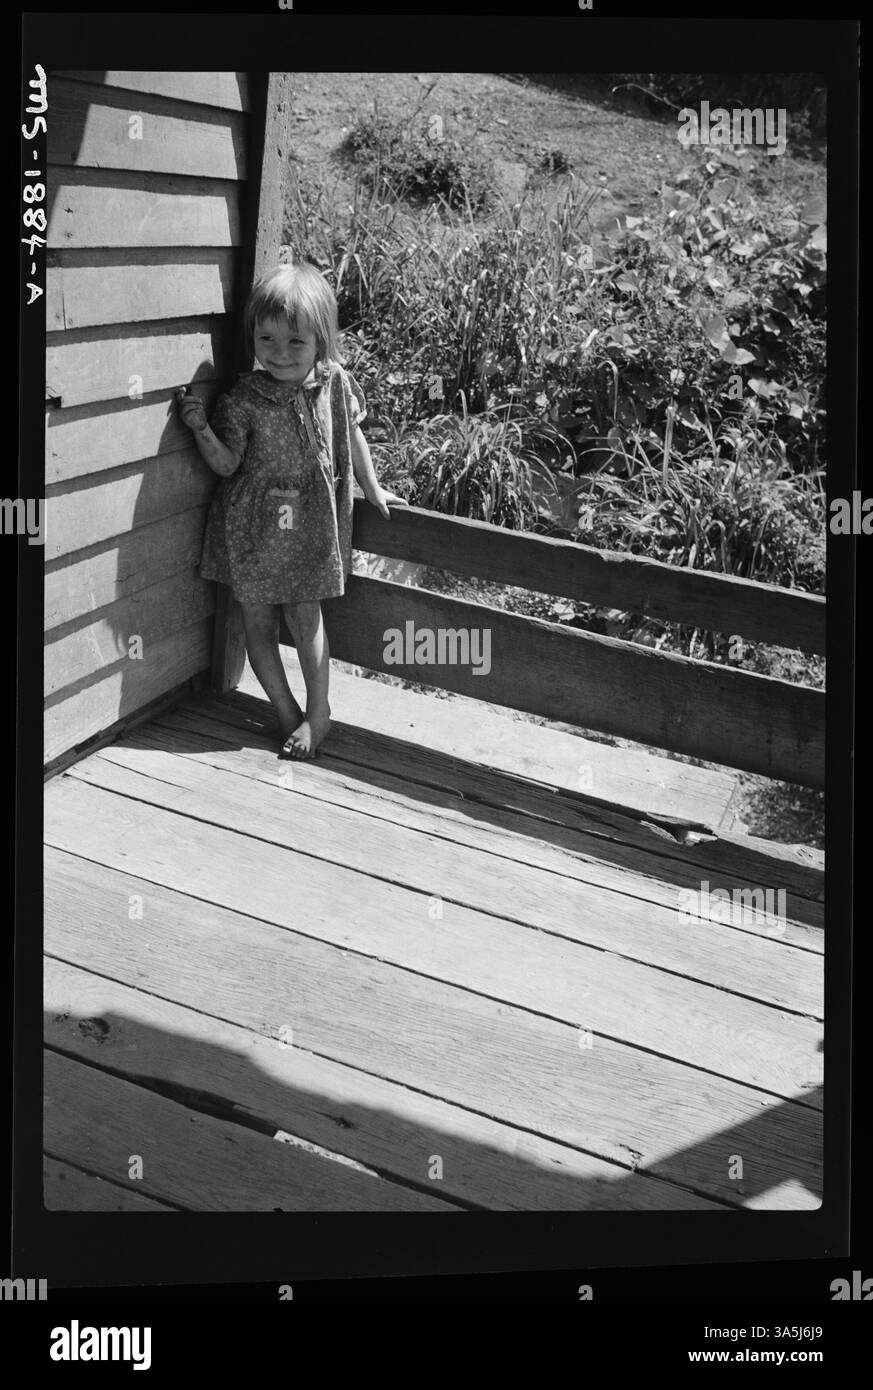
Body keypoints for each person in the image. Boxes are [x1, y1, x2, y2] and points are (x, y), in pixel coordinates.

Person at [177, 261, 404, 759]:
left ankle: (318, 713)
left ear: (321, 340)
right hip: (254, 531)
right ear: (253, 336)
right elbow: (226, 465)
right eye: (267, 340)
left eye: (295, 342)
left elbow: (352, 432)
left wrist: (373, 487)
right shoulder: (243, 399)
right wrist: (201, 430)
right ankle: (285, 713)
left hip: (309, 534)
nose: (278, 354)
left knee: (306, 621)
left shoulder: (334, 382)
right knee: (257, 625)